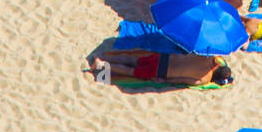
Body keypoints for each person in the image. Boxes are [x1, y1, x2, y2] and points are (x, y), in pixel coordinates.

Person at [90, 51, 233, 86]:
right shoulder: (204, 79)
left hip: (165, 58)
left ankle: (101, 57)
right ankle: (100, 65)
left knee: (132, 60)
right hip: (163, 71)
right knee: (130, 71)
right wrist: (164, 81)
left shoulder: (209, 56)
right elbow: (181, 80)